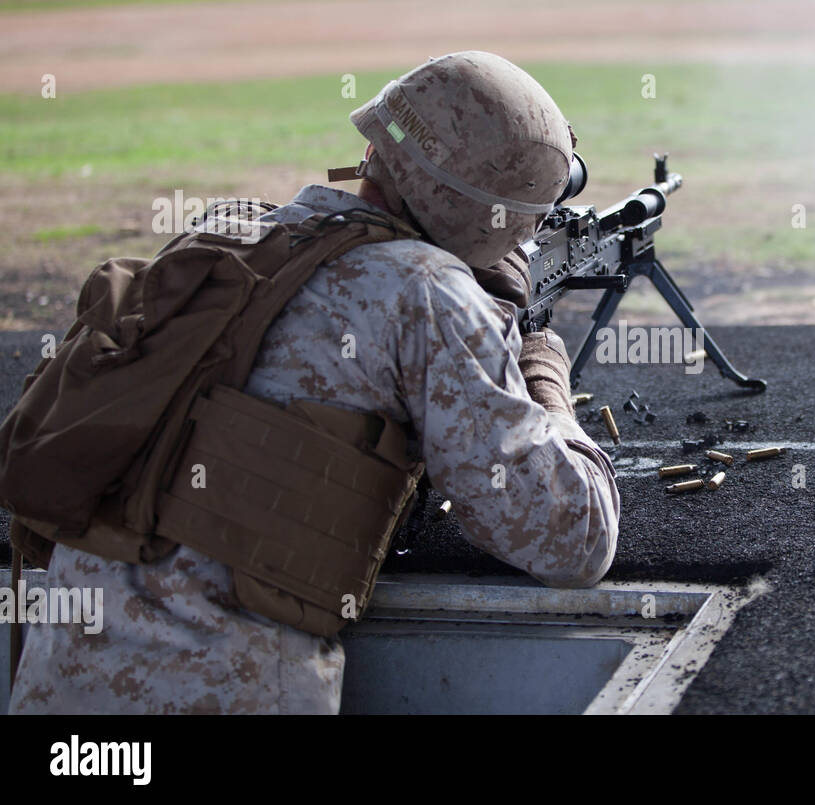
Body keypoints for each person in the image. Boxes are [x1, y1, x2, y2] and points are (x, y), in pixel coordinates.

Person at [8, 51, 620, 714]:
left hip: (56, 690)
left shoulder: (222, 234)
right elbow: (573, 540)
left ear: (373, 147)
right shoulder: (428, 293)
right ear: (502, 223)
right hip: (224, 695)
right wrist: (539, 371)